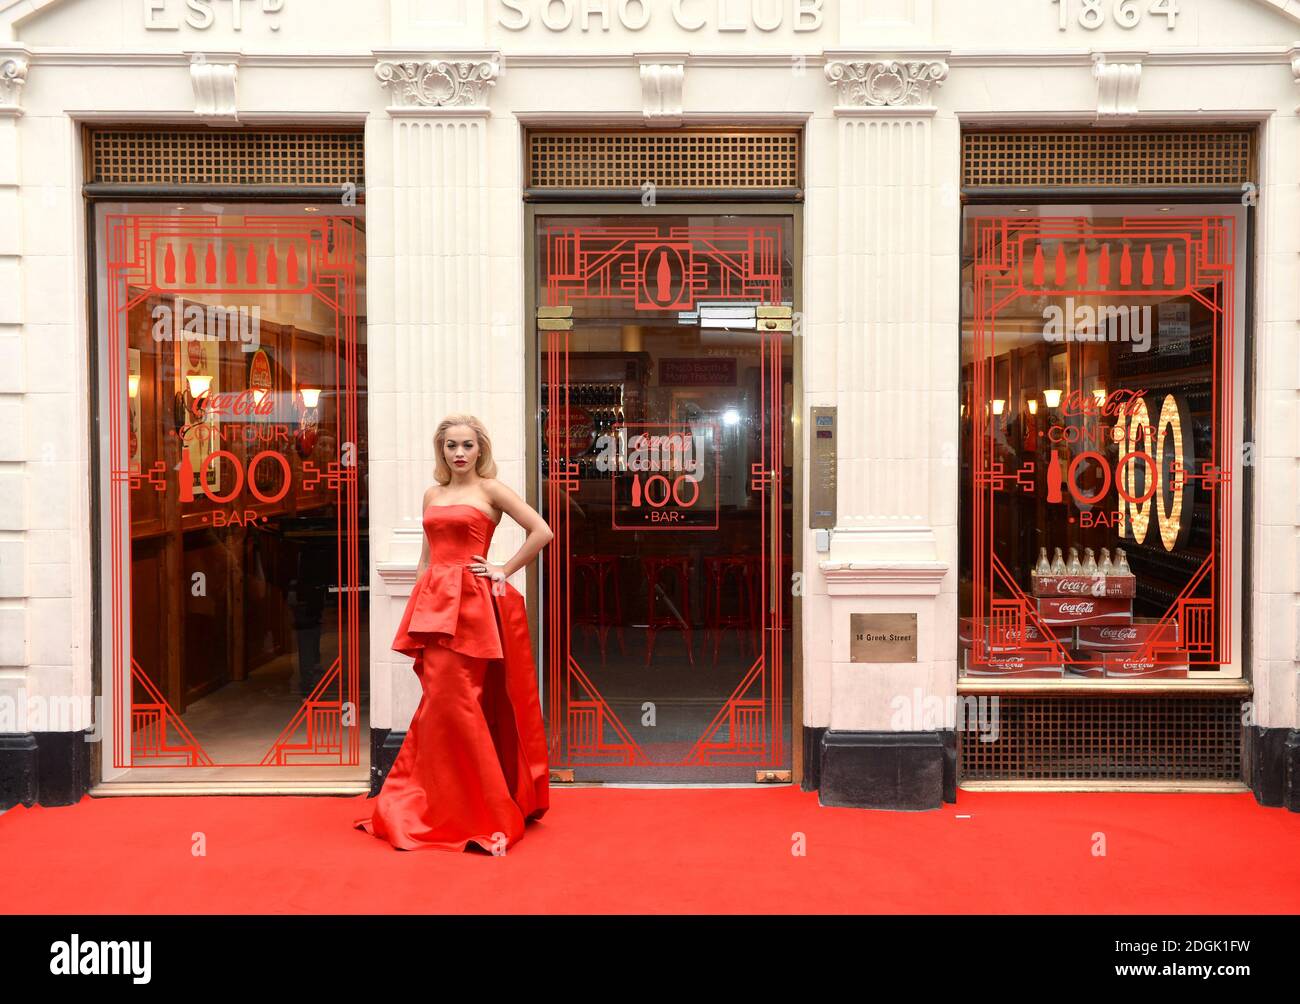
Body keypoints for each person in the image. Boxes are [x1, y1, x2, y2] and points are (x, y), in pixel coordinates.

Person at [354, 414, 554, 853]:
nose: (459, 453)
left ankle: (484, 812)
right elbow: (427, 560)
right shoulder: (433, 493)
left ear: (480, 448)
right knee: (440, 704)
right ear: (441, 450)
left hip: (474, 606)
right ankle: (438, 804)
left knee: (461, 702)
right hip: (434, 607)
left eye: (467, 445)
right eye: (451, 446)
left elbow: (542, 532)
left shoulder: (491, 490)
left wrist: (502, 568)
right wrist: (416, 613)